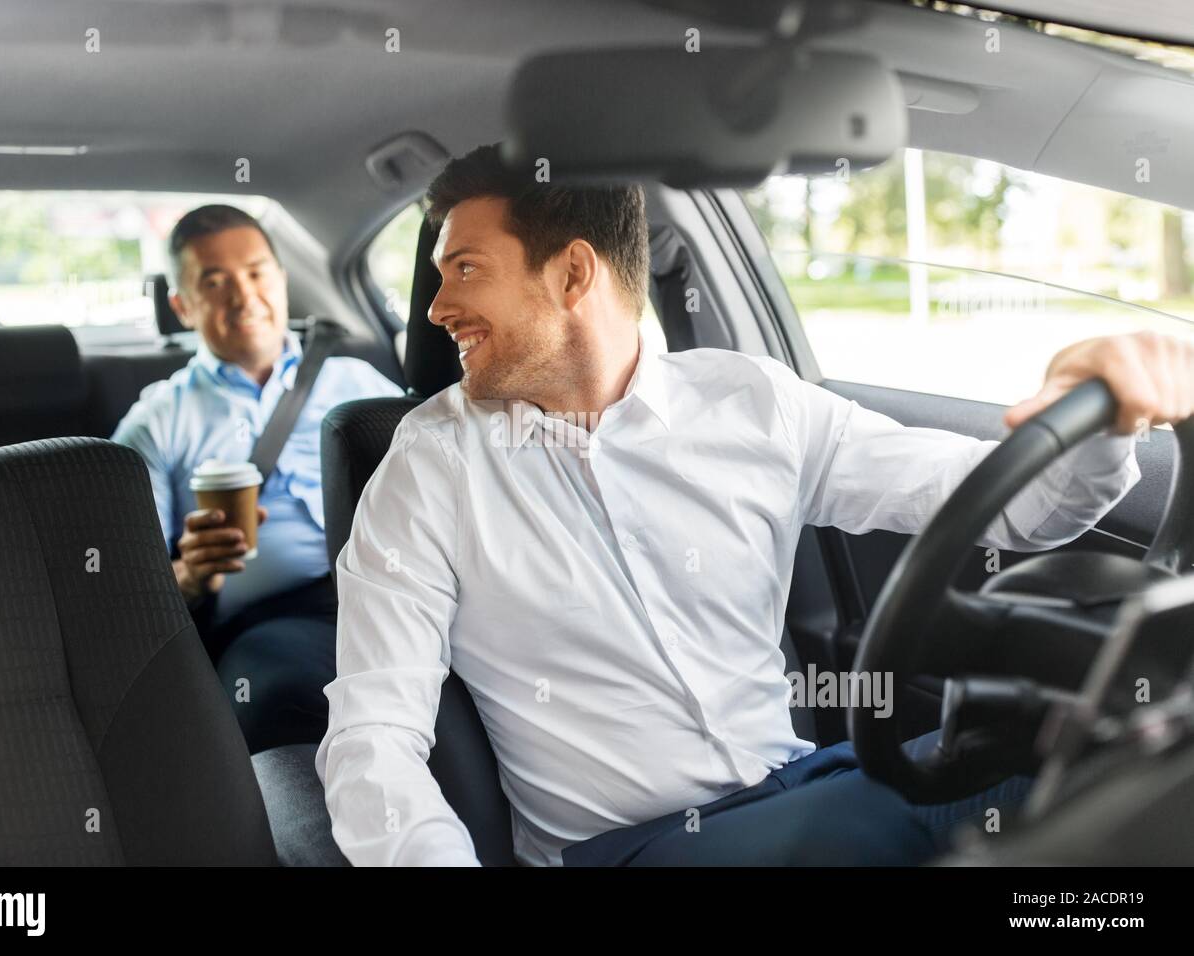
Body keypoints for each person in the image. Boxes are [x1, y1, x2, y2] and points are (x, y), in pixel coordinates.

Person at [316, 145, 1194, 866]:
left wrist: (1109, 412)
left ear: (573, 272)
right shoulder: (427, 469)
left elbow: (1013, 508)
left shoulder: (754, 402)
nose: (436, 307)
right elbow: (372, 734)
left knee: (1114, 768)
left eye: (465, 269)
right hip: (640, 851)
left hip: (821, 787)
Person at [112, 204, 402, 753]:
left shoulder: (356, 381)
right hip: (269, 624)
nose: (244, 296)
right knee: (284, 694)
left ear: (282, 279)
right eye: (215, 282)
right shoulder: (158, 420)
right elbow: (129, 594)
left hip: (389, 597)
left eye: (256, 272)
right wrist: (192, 574)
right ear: (184, 305)